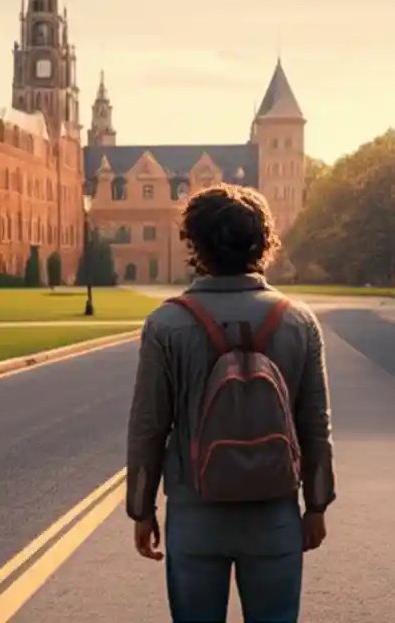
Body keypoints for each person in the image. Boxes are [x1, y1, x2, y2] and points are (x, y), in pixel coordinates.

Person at [126, 184, 336, 623]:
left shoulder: (166, 324)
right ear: (263, 242)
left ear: (194, 243)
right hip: (274, 510)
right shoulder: (298, 320)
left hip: (195, 510)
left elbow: (149, 427)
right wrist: (315, 505)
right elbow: (314, 425)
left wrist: (142, 509)